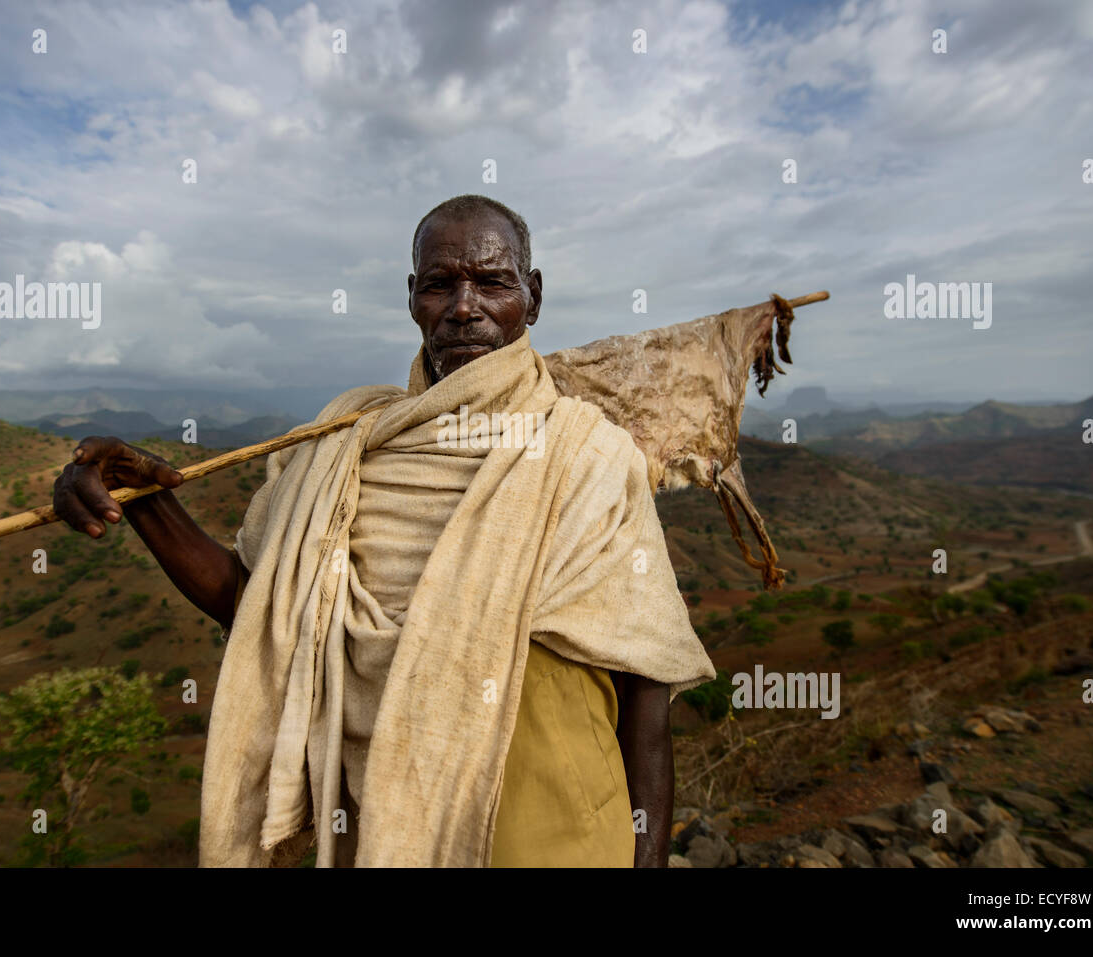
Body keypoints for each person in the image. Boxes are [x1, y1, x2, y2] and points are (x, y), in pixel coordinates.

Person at [52, 194, 715, 867]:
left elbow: (646, 691)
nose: (464, 306)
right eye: (440, 284)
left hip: (560, 832)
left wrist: (648, 856)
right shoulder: (346, 443)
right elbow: (262, 608)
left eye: (491, 281)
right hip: (383, 830)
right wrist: (141, 500)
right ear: (412, 298)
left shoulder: (591, 458)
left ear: (532, 296)